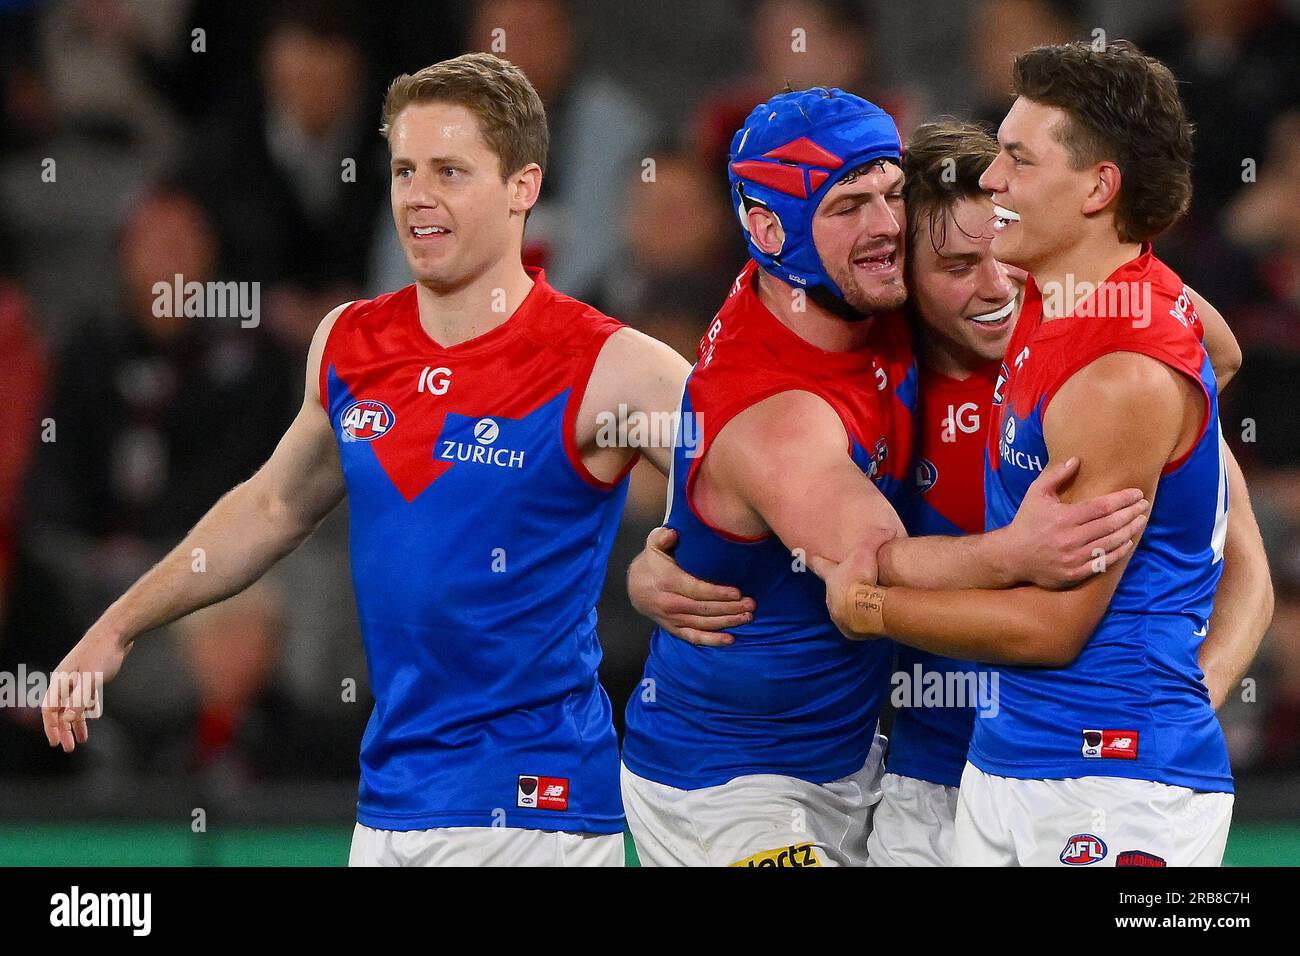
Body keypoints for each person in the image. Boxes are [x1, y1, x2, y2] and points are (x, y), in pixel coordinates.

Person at [41, 53, 692, 868]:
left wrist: (677, 557)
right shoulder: (348, 343)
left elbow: (744, 484)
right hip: (390, 809)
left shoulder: (611, 363)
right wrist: (118, 625)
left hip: (535, 806)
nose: (419, 195)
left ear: (523, 187)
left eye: (451, 172)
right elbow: (271, 507)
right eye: (406, 170)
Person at [630, 117, 1270, 867]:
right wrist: (673, 555)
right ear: (903, 278)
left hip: (1100, 764)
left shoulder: (1101, 373)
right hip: (922, 786)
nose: (996, 284)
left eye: (1006, 252)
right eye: (959, 265)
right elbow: (761, 462)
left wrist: (1195, 696)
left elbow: (1245, 553)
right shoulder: (875, 361)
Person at [817, 41, 1274, 867]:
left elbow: (1052, 629)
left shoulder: (1117, 381)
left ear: (1098, 189)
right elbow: (1226, 352)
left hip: (1112, 779)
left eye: (1019, 161)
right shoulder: (1062, 285)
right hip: (1010, 761)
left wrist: (871, 605)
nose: (993, 180)